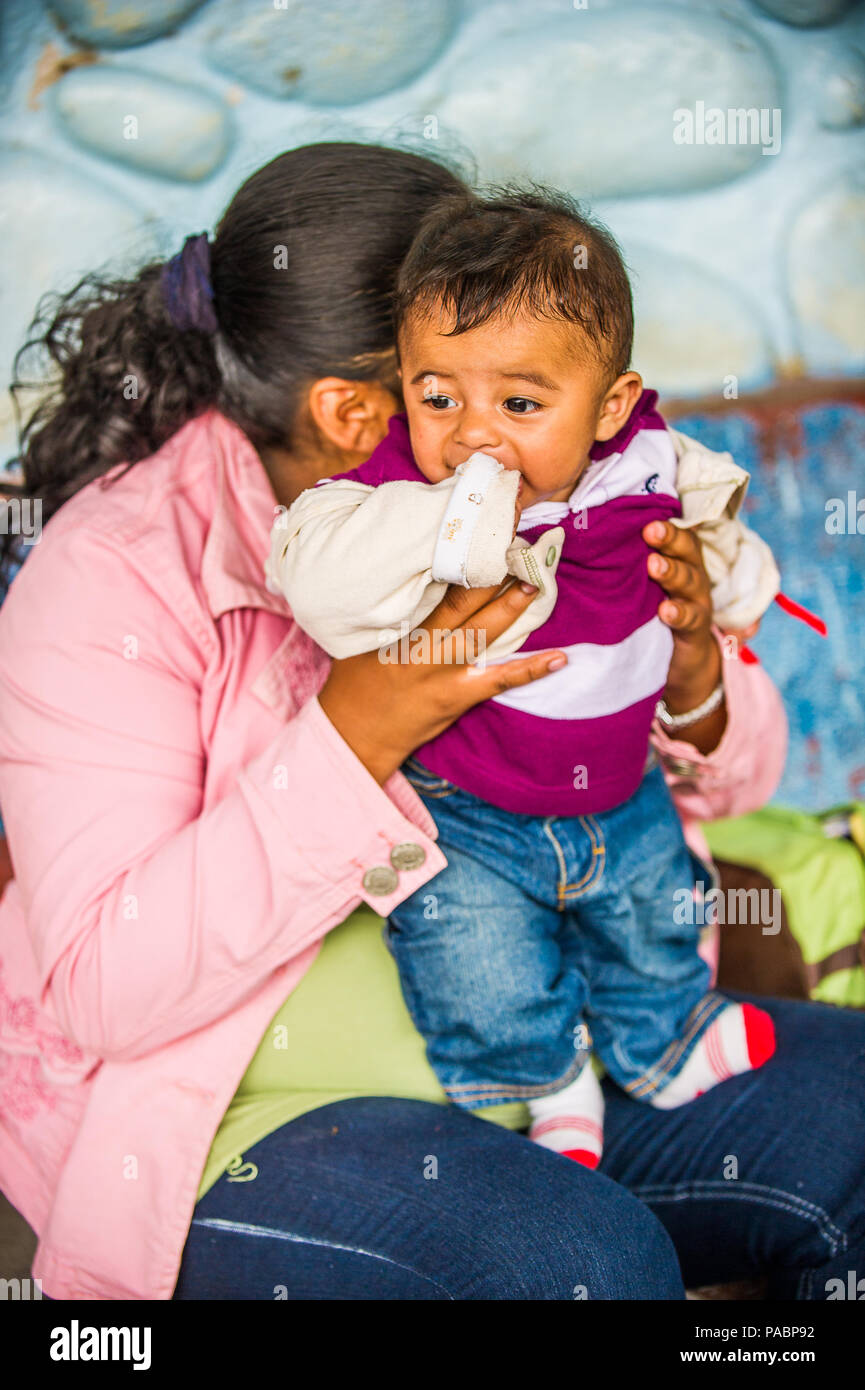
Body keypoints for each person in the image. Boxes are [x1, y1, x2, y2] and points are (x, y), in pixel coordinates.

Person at [0, 143, 861, 1301]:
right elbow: (105, 985)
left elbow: (734, 780)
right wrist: (356, 731)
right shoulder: (115, 571)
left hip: (581, 1039)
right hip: (256, 1119)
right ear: (365, 406)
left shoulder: (561, 476)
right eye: (449, 385)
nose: (511, 417)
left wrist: (694, 665)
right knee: (577, 1267)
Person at [267, 189, 782, 1170]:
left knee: (650, 917)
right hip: (467, 807)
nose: (473, 437)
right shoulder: (394, 496)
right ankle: (546, 1079)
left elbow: (713, 518)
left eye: (520, 403)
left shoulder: (647, 461)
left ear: (611, 406)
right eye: (438, 395)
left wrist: (742, 586)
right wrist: (451, 521)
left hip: (622, 786)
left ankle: (662, 1038)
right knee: (475, 962)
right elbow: (323, 579)